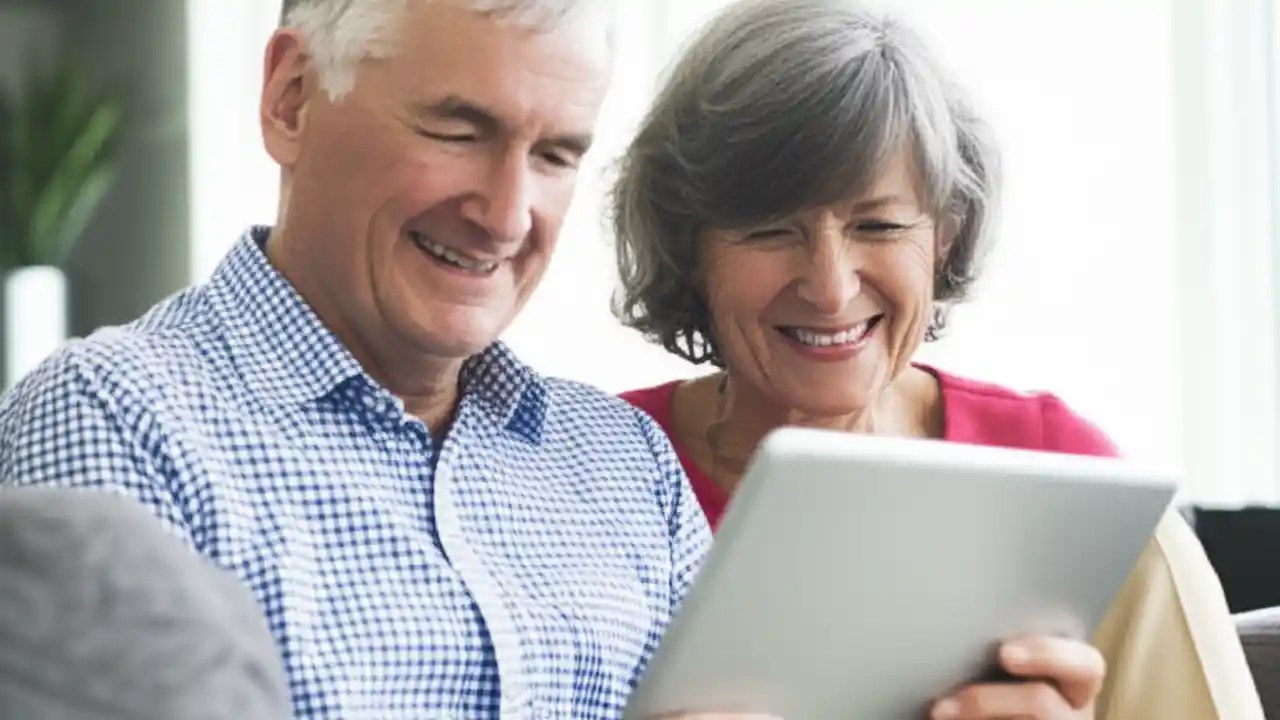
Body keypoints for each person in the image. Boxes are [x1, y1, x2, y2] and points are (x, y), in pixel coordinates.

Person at [0, 2, 726, 718]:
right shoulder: (115, 420)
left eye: (554, 156)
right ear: (291, 100)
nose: (506, 217)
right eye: (457, 131)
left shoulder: (632, 467)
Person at [613, 0, 1266, 718]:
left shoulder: (1061, 475)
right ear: (691, 250)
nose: (831, 288)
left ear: (944, 237)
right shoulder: (588, 478)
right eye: (771, 231)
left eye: (879, 225)